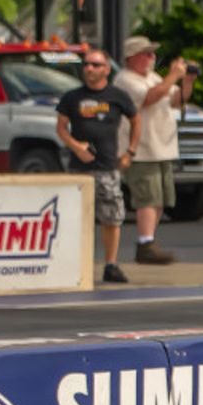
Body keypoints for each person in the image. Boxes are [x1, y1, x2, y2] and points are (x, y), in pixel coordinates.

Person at [55, 49, 141, 284]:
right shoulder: (72, 97)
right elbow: (61, 127)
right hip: (79, 168)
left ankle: (110, 264)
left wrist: (130, 151)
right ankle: (74, 264)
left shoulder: (117, 96)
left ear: (106, 69)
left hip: (107, 166)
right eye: (86, 65)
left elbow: (136, 120)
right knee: (75, 218)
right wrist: (76, 147)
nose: (89, 69)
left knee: (111, 217)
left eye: (95, 65)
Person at [113, 34, 184, 265]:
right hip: (142, 149)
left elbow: (176, 100)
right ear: (132, 57)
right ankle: (145, 244)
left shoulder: (153, 77)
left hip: (161, 148)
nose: (152, 58)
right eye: (147, 53)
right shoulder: (125, 80)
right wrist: (173, 76)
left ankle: (149, 240)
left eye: (153, 53)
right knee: (147, 198)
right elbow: (149, 98)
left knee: (160, 199)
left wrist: (187, 81)